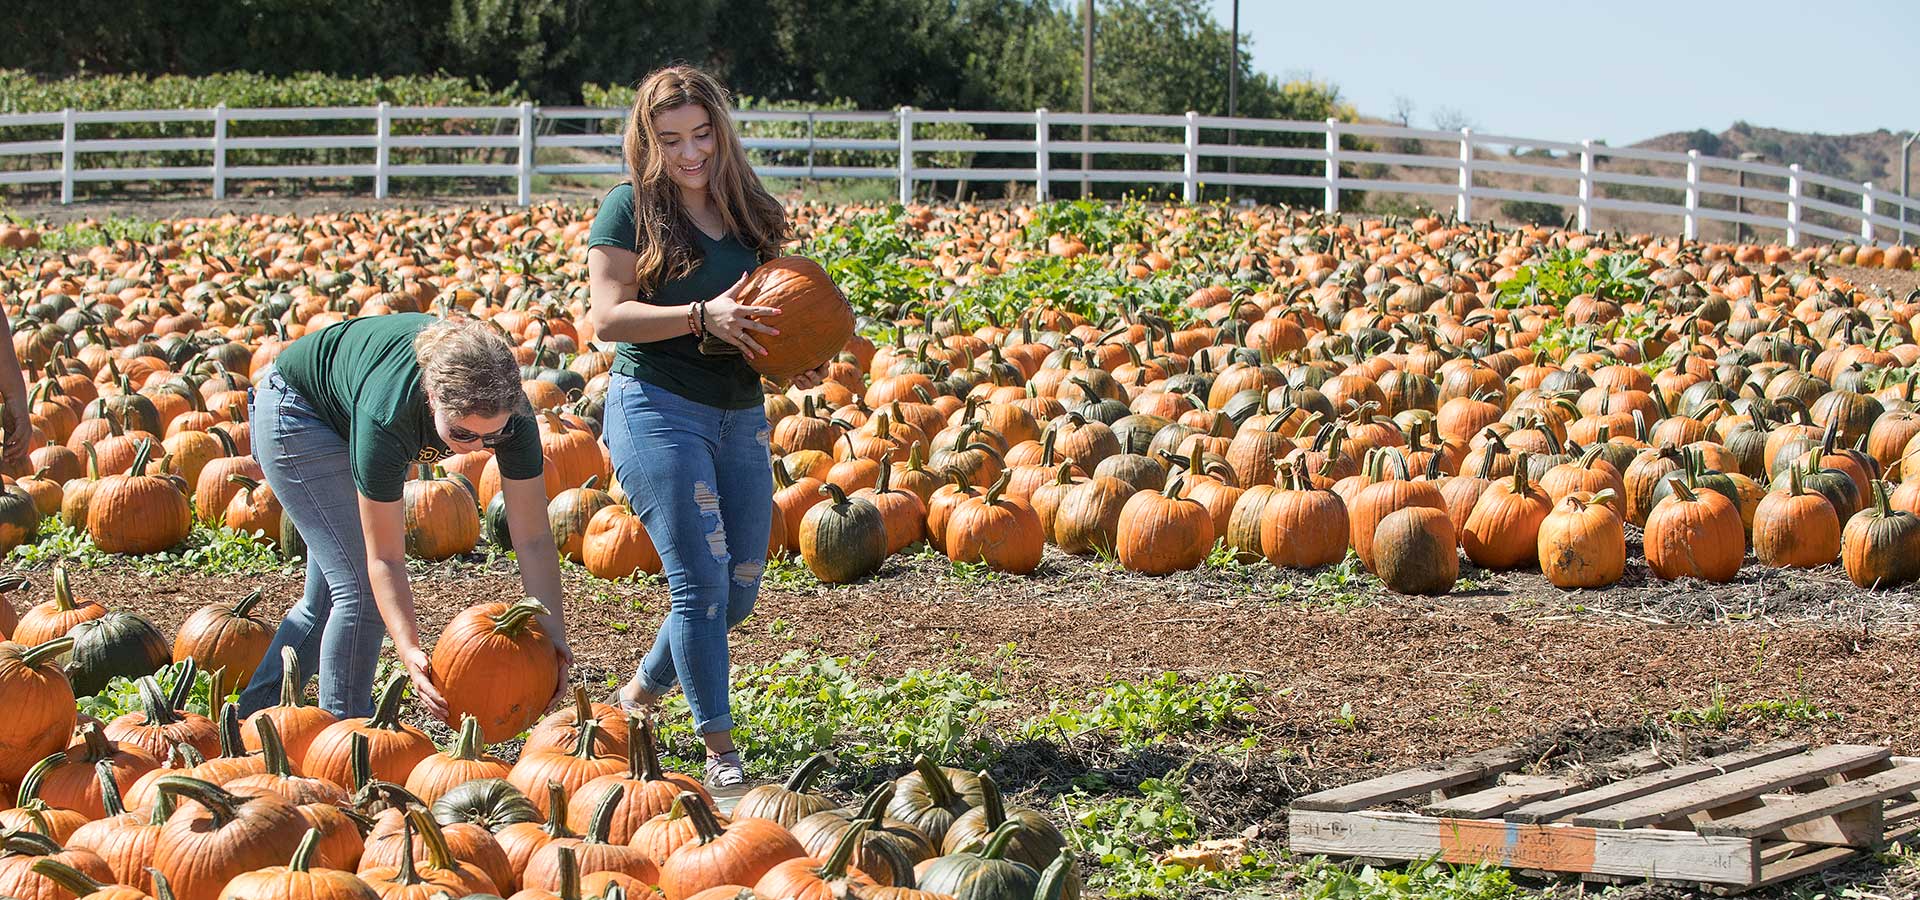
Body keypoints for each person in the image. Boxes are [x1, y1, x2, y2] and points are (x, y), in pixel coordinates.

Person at [586, 65, 830, 788]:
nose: (690, 153)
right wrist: (700, 315)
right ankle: (722, 756)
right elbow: (607, 318)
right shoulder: (628, 209)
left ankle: (638, 695)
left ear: (720, 132)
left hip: (739, 411)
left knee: (741, 589)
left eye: (701, 135)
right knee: (699, 586)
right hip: (656, 406)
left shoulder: (751, 212)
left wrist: (794, 359)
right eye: (671, 141)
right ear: (647, 142)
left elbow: (770, 315)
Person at [237, 313, 573, 720]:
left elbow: (533, 538)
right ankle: (350, 733)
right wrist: (409, 648)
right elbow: (385, 559)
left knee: (326, 597)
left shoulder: (511, 415)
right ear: (431, 396)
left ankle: (251, 716)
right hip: (298, 413)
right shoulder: (389, 416)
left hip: (349, 409)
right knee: (359, 589)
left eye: (492, 436)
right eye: (462, 434)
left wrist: (553, 636)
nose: (478, 447)